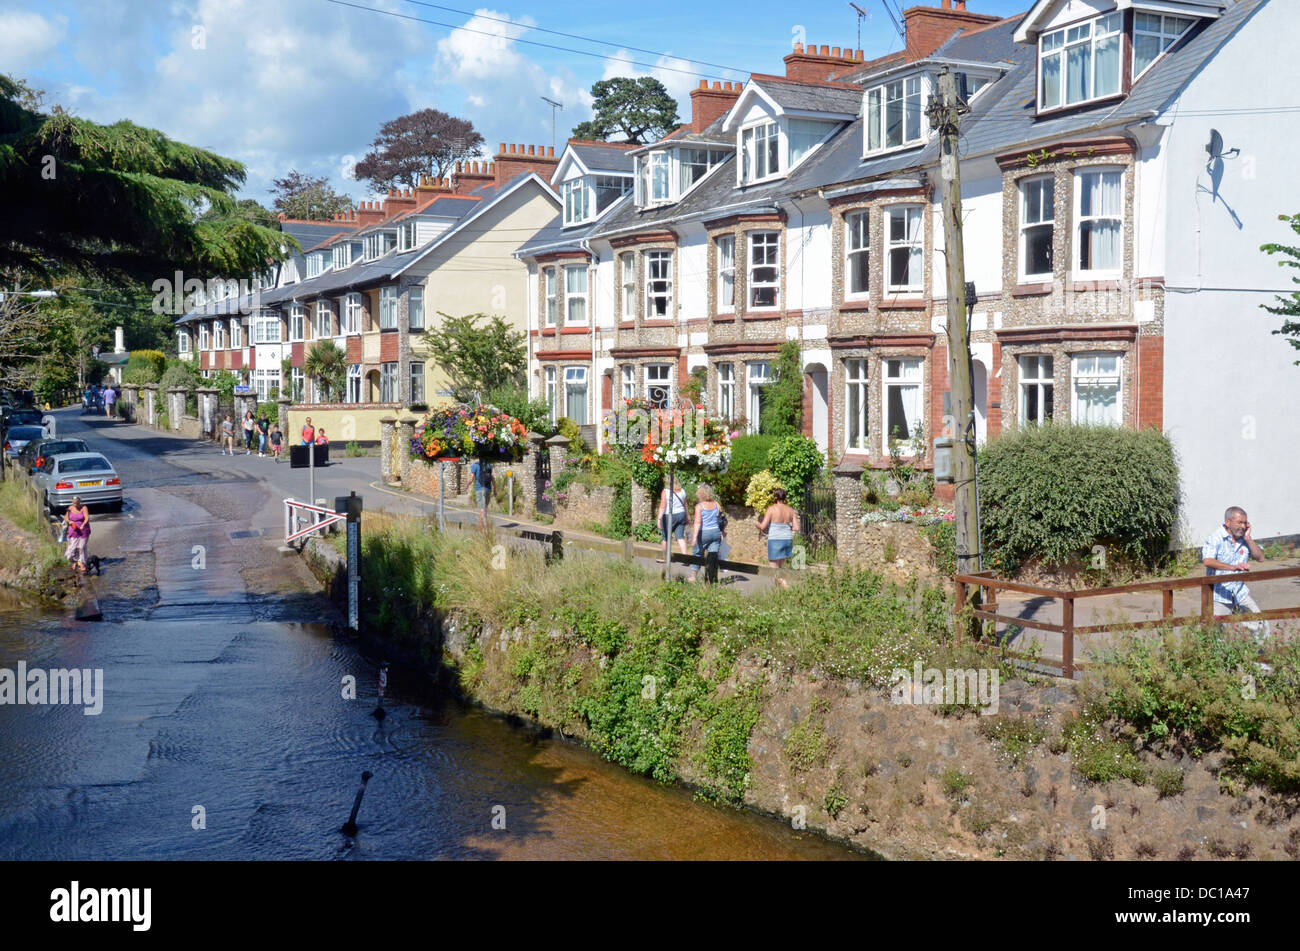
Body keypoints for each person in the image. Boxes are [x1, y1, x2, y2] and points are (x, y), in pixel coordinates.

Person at [1203, 505, 1270, 644]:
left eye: (1245, 522)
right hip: (1220, 594)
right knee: (1218, 636)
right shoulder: (1216, 538)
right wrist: (1232, 568)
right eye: (1239, 522)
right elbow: (1208, 560)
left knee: (1260, 625)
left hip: (1239, 592)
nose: (1243, 526)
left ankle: (1261, 663)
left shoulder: (1244, 539)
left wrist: (1248, 538)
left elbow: (1261, 558)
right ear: (1228, 522)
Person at [758, 487, 802, 589]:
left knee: (773, 569)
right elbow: (796, 528)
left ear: (775, 497)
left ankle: (788, 588)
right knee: (779, 568)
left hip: (775, 540)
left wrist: (757, 524)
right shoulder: (790, 510)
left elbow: (763, 526)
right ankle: (776, 593)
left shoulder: (771, 509)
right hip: (787, 540)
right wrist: (787, 526)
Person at [688, 484, 724, 583]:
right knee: (712, 556)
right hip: (716, 532)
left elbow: (697, 522)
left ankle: (693, 577)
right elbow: (721, 520)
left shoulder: (699, 507)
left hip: (704, 533)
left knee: (698, 554)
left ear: (701, 494)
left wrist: (694, 538)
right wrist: (723, 532)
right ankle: (710, 579)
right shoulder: (717, 504)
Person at [656, 482, 690, 557]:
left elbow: (662, 506)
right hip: (681, 514)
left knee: (666, 538)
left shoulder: (665, 491)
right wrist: (687, 516)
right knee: (680, 537)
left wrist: (659, 519)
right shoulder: (682, 491)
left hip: (669, 515)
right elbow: (685, 505)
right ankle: (686, 558)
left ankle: (664, 557)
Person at [63, 497, 91, 573]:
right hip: (73, 531)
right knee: (72, 548)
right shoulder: (70, 508)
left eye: (77, 503)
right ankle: (74, 561)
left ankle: (82, 563)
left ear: (79, 502)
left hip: (83, 530)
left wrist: (83, 524)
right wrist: (69, 521)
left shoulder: (84, 508)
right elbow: (66, 517)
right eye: (74, 503)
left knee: (81, 547)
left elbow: (86, 518)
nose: (75, 505)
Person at [470, 457, 493, 529]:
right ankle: (486, 524)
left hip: (479, 489)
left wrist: (467, 485)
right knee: (485, 507)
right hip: (488, 489)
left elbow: (471, 478)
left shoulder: (475, 465)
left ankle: (484, 526)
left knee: (481, 509)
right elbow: (492, 478)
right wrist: (495, 490)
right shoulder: (489, 465)